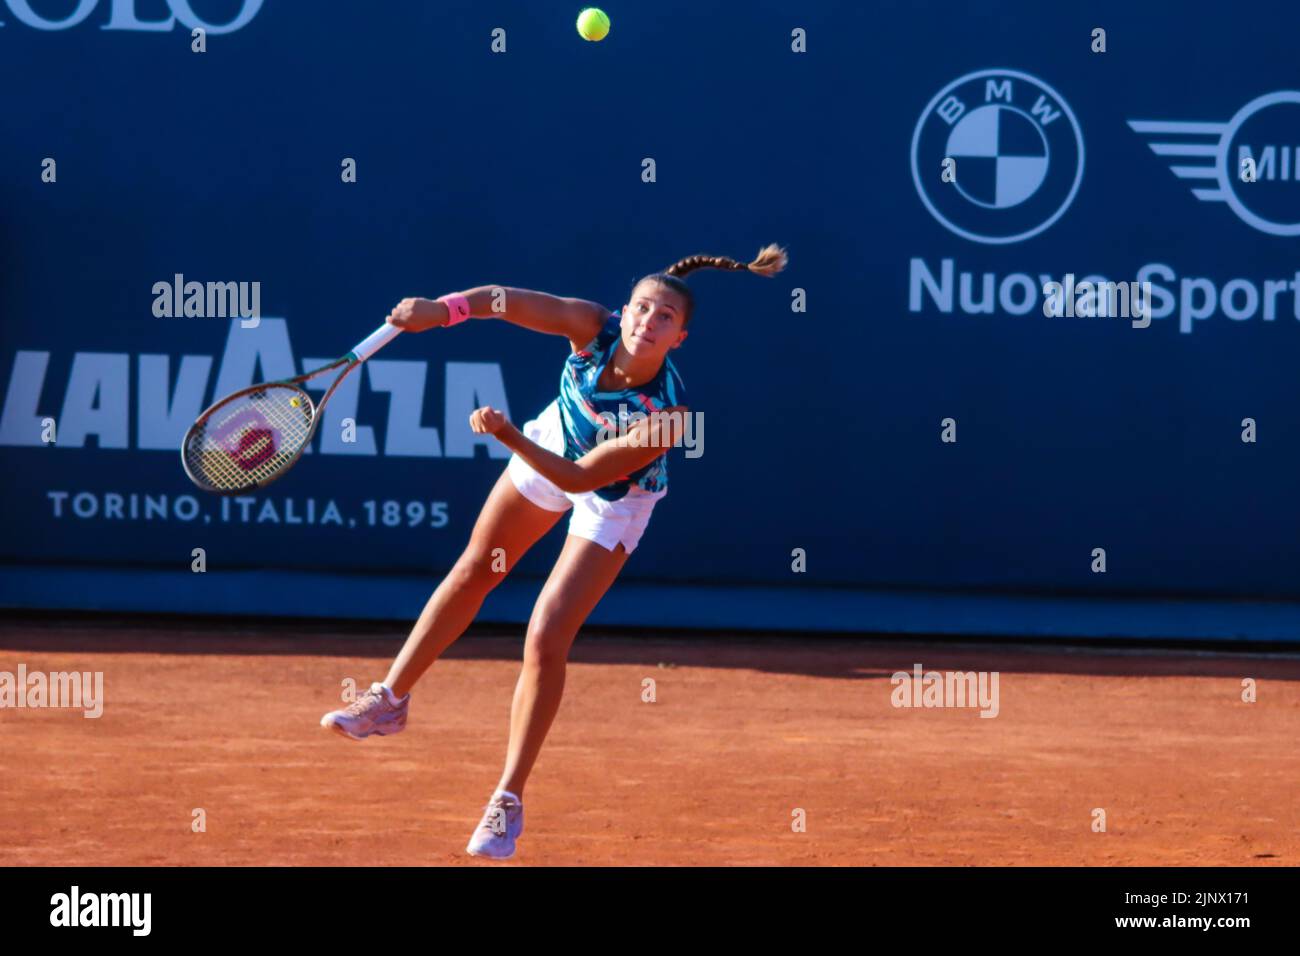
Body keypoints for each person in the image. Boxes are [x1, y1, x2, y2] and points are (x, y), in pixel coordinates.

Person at [320, 244, 788, 859]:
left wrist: (506, 433)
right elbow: (504, 302)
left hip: (610, 496)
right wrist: (443, 309)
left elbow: (580, 481)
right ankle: (390, 699)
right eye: (643, 308)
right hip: (554, 440)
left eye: (666, 317)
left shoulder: (671, 416)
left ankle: (507, 800)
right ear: (623, 313)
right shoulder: (588, 325)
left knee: (545, 636)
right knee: (475, 570)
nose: (650, 321)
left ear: (681, 337)